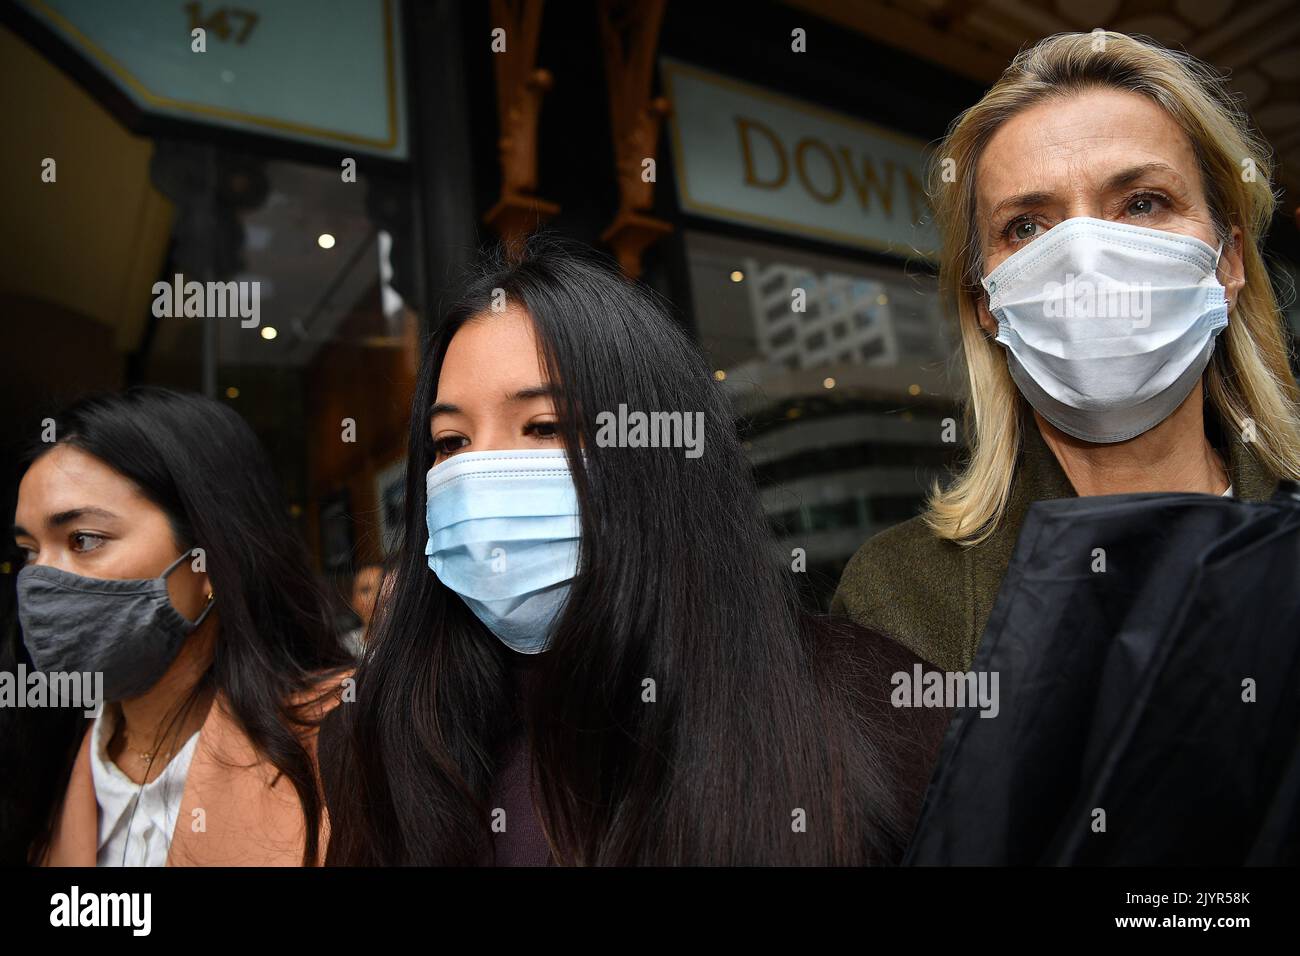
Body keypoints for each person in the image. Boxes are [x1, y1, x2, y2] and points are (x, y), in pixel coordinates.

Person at [319, 239, 950, 866]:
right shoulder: (388, 736)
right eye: (450, 441)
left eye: (545, 427)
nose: (479, 471)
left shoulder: (866, 706)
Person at [833, 31, 1300, 672]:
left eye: (1141, 203)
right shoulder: (896, 598)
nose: (1085, 261)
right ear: (987, 306)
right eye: (1026, 226)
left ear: (1228, 262)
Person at [9, 388, 352, 866]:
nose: (41, 580)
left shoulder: (344, 741)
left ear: (207, 557)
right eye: (30, 551)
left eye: (83, 539)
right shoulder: (42, 763)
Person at [341, 562, 383, 657]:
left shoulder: (404, 642)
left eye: (381, 588)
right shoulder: (345, 646)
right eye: (365, 590)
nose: (375, 596)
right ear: (353, 601)